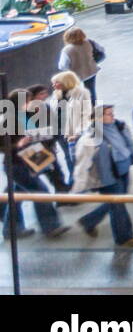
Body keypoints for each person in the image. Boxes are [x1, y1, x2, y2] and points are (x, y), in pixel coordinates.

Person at [72, 104, 133, 248]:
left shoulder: (119, 126)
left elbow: (130, 142)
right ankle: (124, 239)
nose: (113, 116)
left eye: (112, 113)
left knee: (116, 202)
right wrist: (79, 184)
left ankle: (89, 220)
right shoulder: (91, 137)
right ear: (98, 118)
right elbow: (82, 161)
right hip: (107, 176)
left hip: (123, 170)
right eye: (109, 114)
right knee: (118, 206)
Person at [0, 91, 70, 240]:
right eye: (28, 101)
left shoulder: (27, 117)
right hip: (17, 165)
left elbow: (37, 136)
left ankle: (11, 230)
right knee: (40, 191)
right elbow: (3, 145)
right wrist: (18, 144)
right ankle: (51, 227)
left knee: (17, 196)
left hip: (28, 161)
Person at [50, 72, 94, 169]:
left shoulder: (82, 93)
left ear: (66, 82)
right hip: (60, 131)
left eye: (56, 82)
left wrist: (78, 132)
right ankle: (72, 177)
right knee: (67, 156)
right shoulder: (56, 94)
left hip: (75, 132)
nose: (53, 85)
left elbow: (86, 114)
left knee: (78, 156)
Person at [56, 28, 102, 105]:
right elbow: (101, 50)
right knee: (91, 91)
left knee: (70, 92)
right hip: (91, 71)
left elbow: (62, 66)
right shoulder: (89, 42)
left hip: (76, 75)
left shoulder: (67, 49)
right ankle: (93, 109)